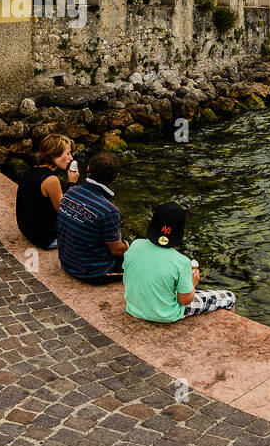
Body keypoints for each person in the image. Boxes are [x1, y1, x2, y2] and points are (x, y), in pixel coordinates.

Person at [124, 202, 235, 322]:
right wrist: (193, 283)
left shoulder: (135, 245)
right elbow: (184, 300)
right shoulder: (181, 261)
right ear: (179, 232)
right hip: (166, 314)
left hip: (134, 308)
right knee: (229, 297)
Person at [56, 150, 130, 283]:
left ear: (88, 169)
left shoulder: (70, 191)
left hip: (66, 261)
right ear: (116, 177)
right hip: (91, 272)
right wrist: (128, 246)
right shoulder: (109, 210)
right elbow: (117, 251)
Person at [15, 134, 76, 252]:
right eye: (67, 153)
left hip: (27, 230)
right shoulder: (51, 180)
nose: (71, 158)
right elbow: (65, 213)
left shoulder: (31, 170)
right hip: (45, 238)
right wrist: (72, 184)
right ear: (53, 154)